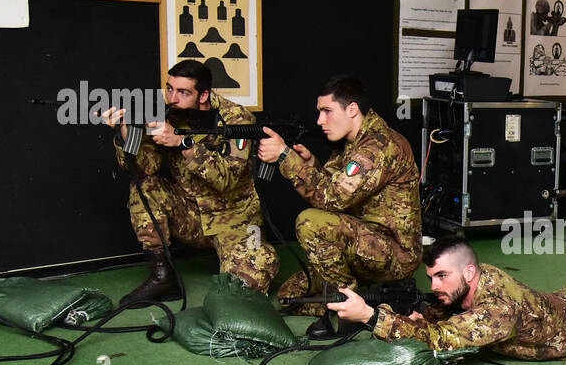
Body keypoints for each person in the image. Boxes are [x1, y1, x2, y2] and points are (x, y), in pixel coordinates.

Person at [330, 235, 566, 360]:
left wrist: (370, 316)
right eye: (432, 278)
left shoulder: (497, 311)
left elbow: (442, 341)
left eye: (443, 276)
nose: (436, 285)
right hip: (563, 300)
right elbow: (444, 311)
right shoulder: (474, 279)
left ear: (469, 274)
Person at [259, 75, 421, 339]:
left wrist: (285, 157)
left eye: (326, 111)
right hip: (361, 243)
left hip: (392, 252)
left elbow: (332, 199)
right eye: (319, 112)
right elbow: (334, 185)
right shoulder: (353, 143)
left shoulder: (378, 147)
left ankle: (347, 312)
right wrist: (311, 166)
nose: (319, 121)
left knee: (310, 222)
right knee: (290, 295)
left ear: (352, 109)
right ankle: (371, 301)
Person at [109, 59, 278, 304]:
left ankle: (252, 252)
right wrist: (126, 135)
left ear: (203, 95)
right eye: (169, 89)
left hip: (234, 221)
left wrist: (182, 143)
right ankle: (162, 277)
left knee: (243, 290)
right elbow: (146, 169)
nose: (173, 98)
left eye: (183, 92)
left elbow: (227, 179)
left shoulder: (237, 119)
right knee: (145, 188)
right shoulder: (170, 116)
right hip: (191, 217)